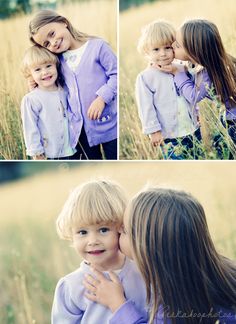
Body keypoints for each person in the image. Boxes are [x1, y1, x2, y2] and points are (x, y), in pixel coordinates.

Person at [84, 187, 236, 323]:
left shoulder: (170, 305)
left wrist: (117, 304)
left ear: (148, 248)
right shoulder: (227, 274)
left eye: (124, 230)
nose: (116, 232)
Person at [52, 179, 147, 323]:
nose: (92, 241)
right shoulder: (71, 286)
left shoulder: (143, 274)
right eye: (82, 232)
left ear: (121, 228)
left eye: (103, 230)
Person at [29, 10, 117, 160]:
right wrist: (37, 84)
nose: (53, 42)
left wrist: (101, 98)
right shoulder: (57, 61)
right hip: (80, 131)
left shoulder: (98, 47)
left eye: (52, 34)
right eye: (46, 44)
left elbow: (116, 75)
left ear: (64, 22)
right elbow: (55, 87)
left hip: (109, 124)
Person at [158, 19, 236, 149]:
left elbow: (194, 97)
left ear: (193, 52)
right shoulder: (218, 61)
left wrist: (177, 73)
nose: (172, 45)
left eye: (177, 45)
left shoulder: (207, 73)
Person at [135, 20, 200, 160]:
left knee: (197, 158)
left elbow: (192, 93)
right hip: (169, 134)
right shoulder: (146, 77)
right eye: (156, 49)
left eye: (167, 47)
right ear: (147, 50)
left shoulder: (183, 68)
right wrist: (154, 131)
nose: (163, 54)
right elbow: (146, 107)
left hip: (192, 129)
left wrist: (196, 113)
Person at [21, 45, 76, 160]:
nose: (45, 72)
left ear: (56, 66)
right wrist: (37, 153)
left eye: (48, 66)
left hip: (73, 150)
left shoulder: (65, 90)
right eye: (37, 69)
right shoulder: (31, 99)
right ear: (30, 74)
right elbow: (30, 129)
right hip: (51, 154)